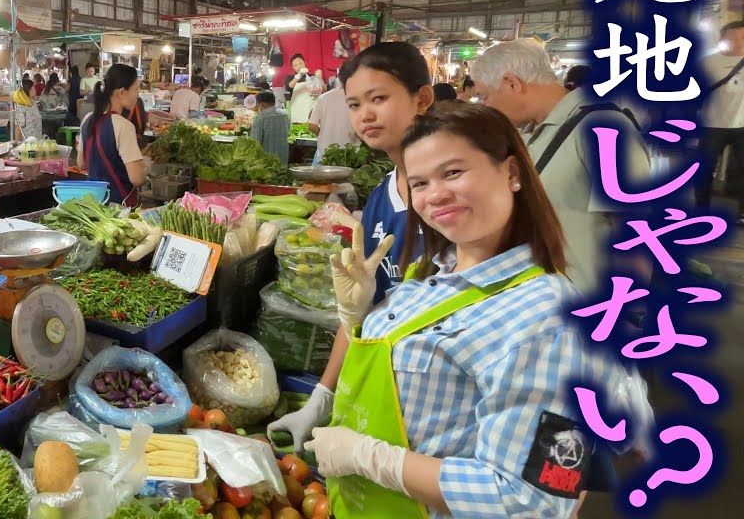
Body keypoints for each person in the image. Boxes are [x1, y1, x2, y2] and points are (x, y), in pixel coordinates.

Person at [303, 102, 648, 518]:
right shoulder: (434, 268)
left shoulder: (546, 321)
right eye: (420, 183)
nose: (436, 195)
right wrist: (357, 317)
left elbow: (529, 502)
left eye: (453, 173)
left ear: (512, 173)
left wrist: (371, 458)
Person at [269, 43, 433, 448]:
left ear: (422, 99)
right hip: (388, 385)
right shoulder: (381, 196)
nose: (365, 115)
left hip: (437, 395)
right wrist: (322, 395)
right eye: (355, 104)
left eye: (379, 99)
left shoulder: (450, 199)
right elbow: (363, 307)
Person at [471, 40, 649, 294]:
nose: (485, 105)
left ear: (512, 83)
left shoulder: (603, 128)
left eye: (486, 95)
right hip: (540, 301)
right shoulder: (530, 132)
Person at [76, 64, 147, 206]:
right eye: (136, 90)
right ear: (122, 92)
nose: (137, 95)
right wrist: (146, 166)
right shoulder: (124, 126)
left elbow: (81, 163)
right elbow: (137, 179)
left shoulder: (88, 120)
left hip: (93, 204)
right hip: (118, 208)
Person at [697, 21, 744, 220]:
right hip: (711, 125)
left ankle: (742, 211)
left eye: (741, 38)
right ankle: (701, 211)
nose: (737, 42)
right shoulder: (706, 62)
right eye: (731, 37)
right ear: (721, 39)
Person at [307, 77, 357, 163]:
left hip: (326, 153)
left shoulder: (324, 97)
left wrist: (323, 136)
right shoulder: (358, 97)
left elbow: (312, 125)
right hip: (352, 153)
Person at [249, 91, 289, 165]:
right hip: (283, 157)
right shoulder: (285, 114)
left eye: (257, 105)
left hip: (266, 161)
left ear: (262, 104)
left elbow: (255, 142)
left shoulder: (260, 118)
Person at [12, 78, 43, 142]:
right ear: (29, 90)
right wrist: (18, 145)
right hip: (27, 143)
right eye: (34, 88)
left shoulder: (33, 103)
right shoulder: (21, 107)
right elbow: (18, 128)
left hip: (37, 141)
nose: (35, 90)